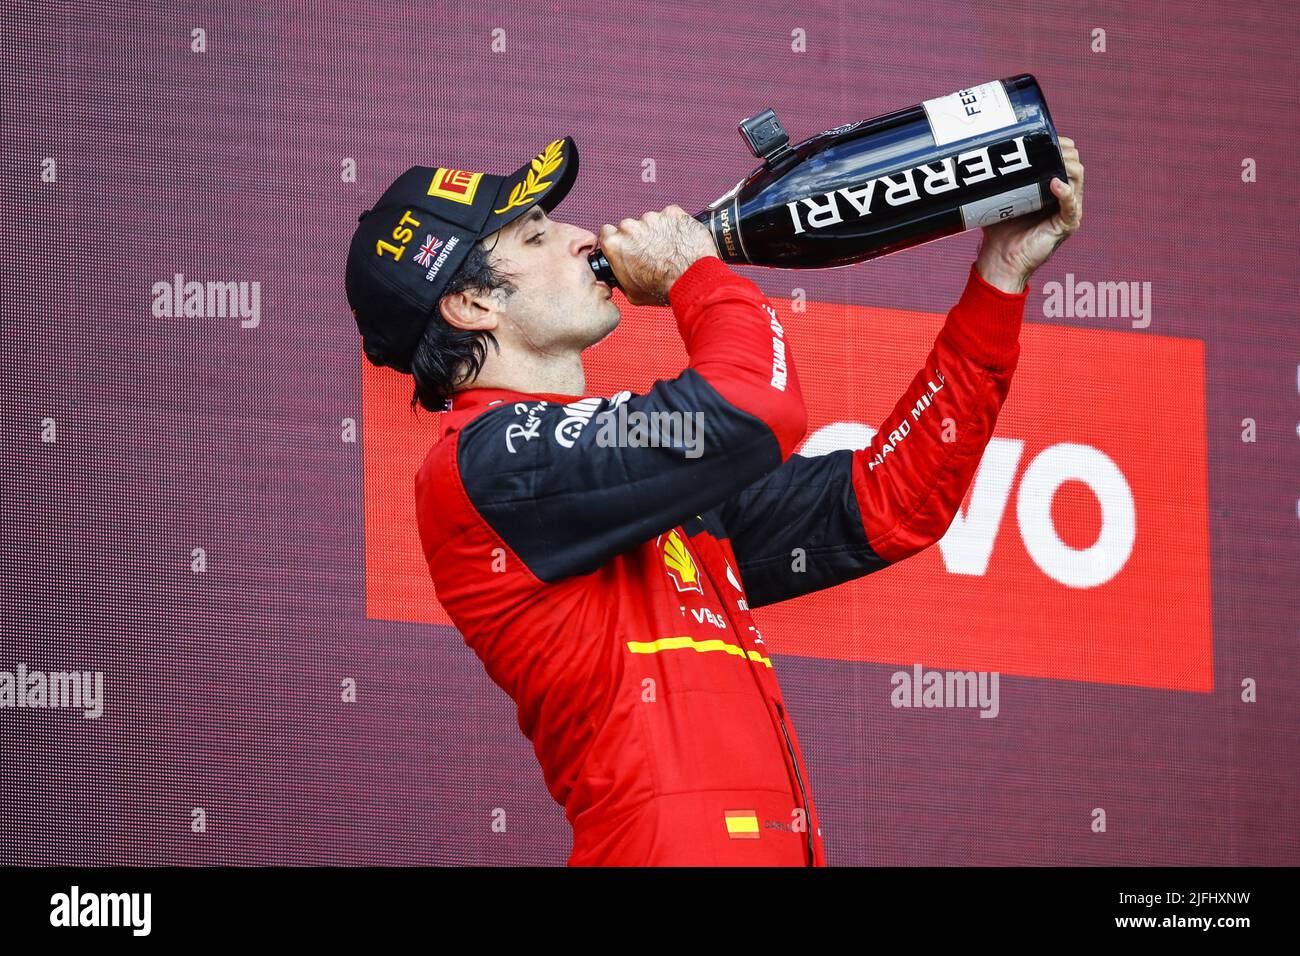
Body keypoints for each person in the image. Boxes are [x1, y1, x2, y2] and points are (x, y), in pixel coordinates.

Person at [344, 134, 1084, 865]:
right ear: (472, 302)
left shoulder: (624, 475)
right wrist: (696, 269)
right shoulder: (484, 464)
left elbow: (894, 502)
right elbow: (752, 406)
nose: (582, 235)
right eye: (537, 234)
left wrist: (1000, 276)